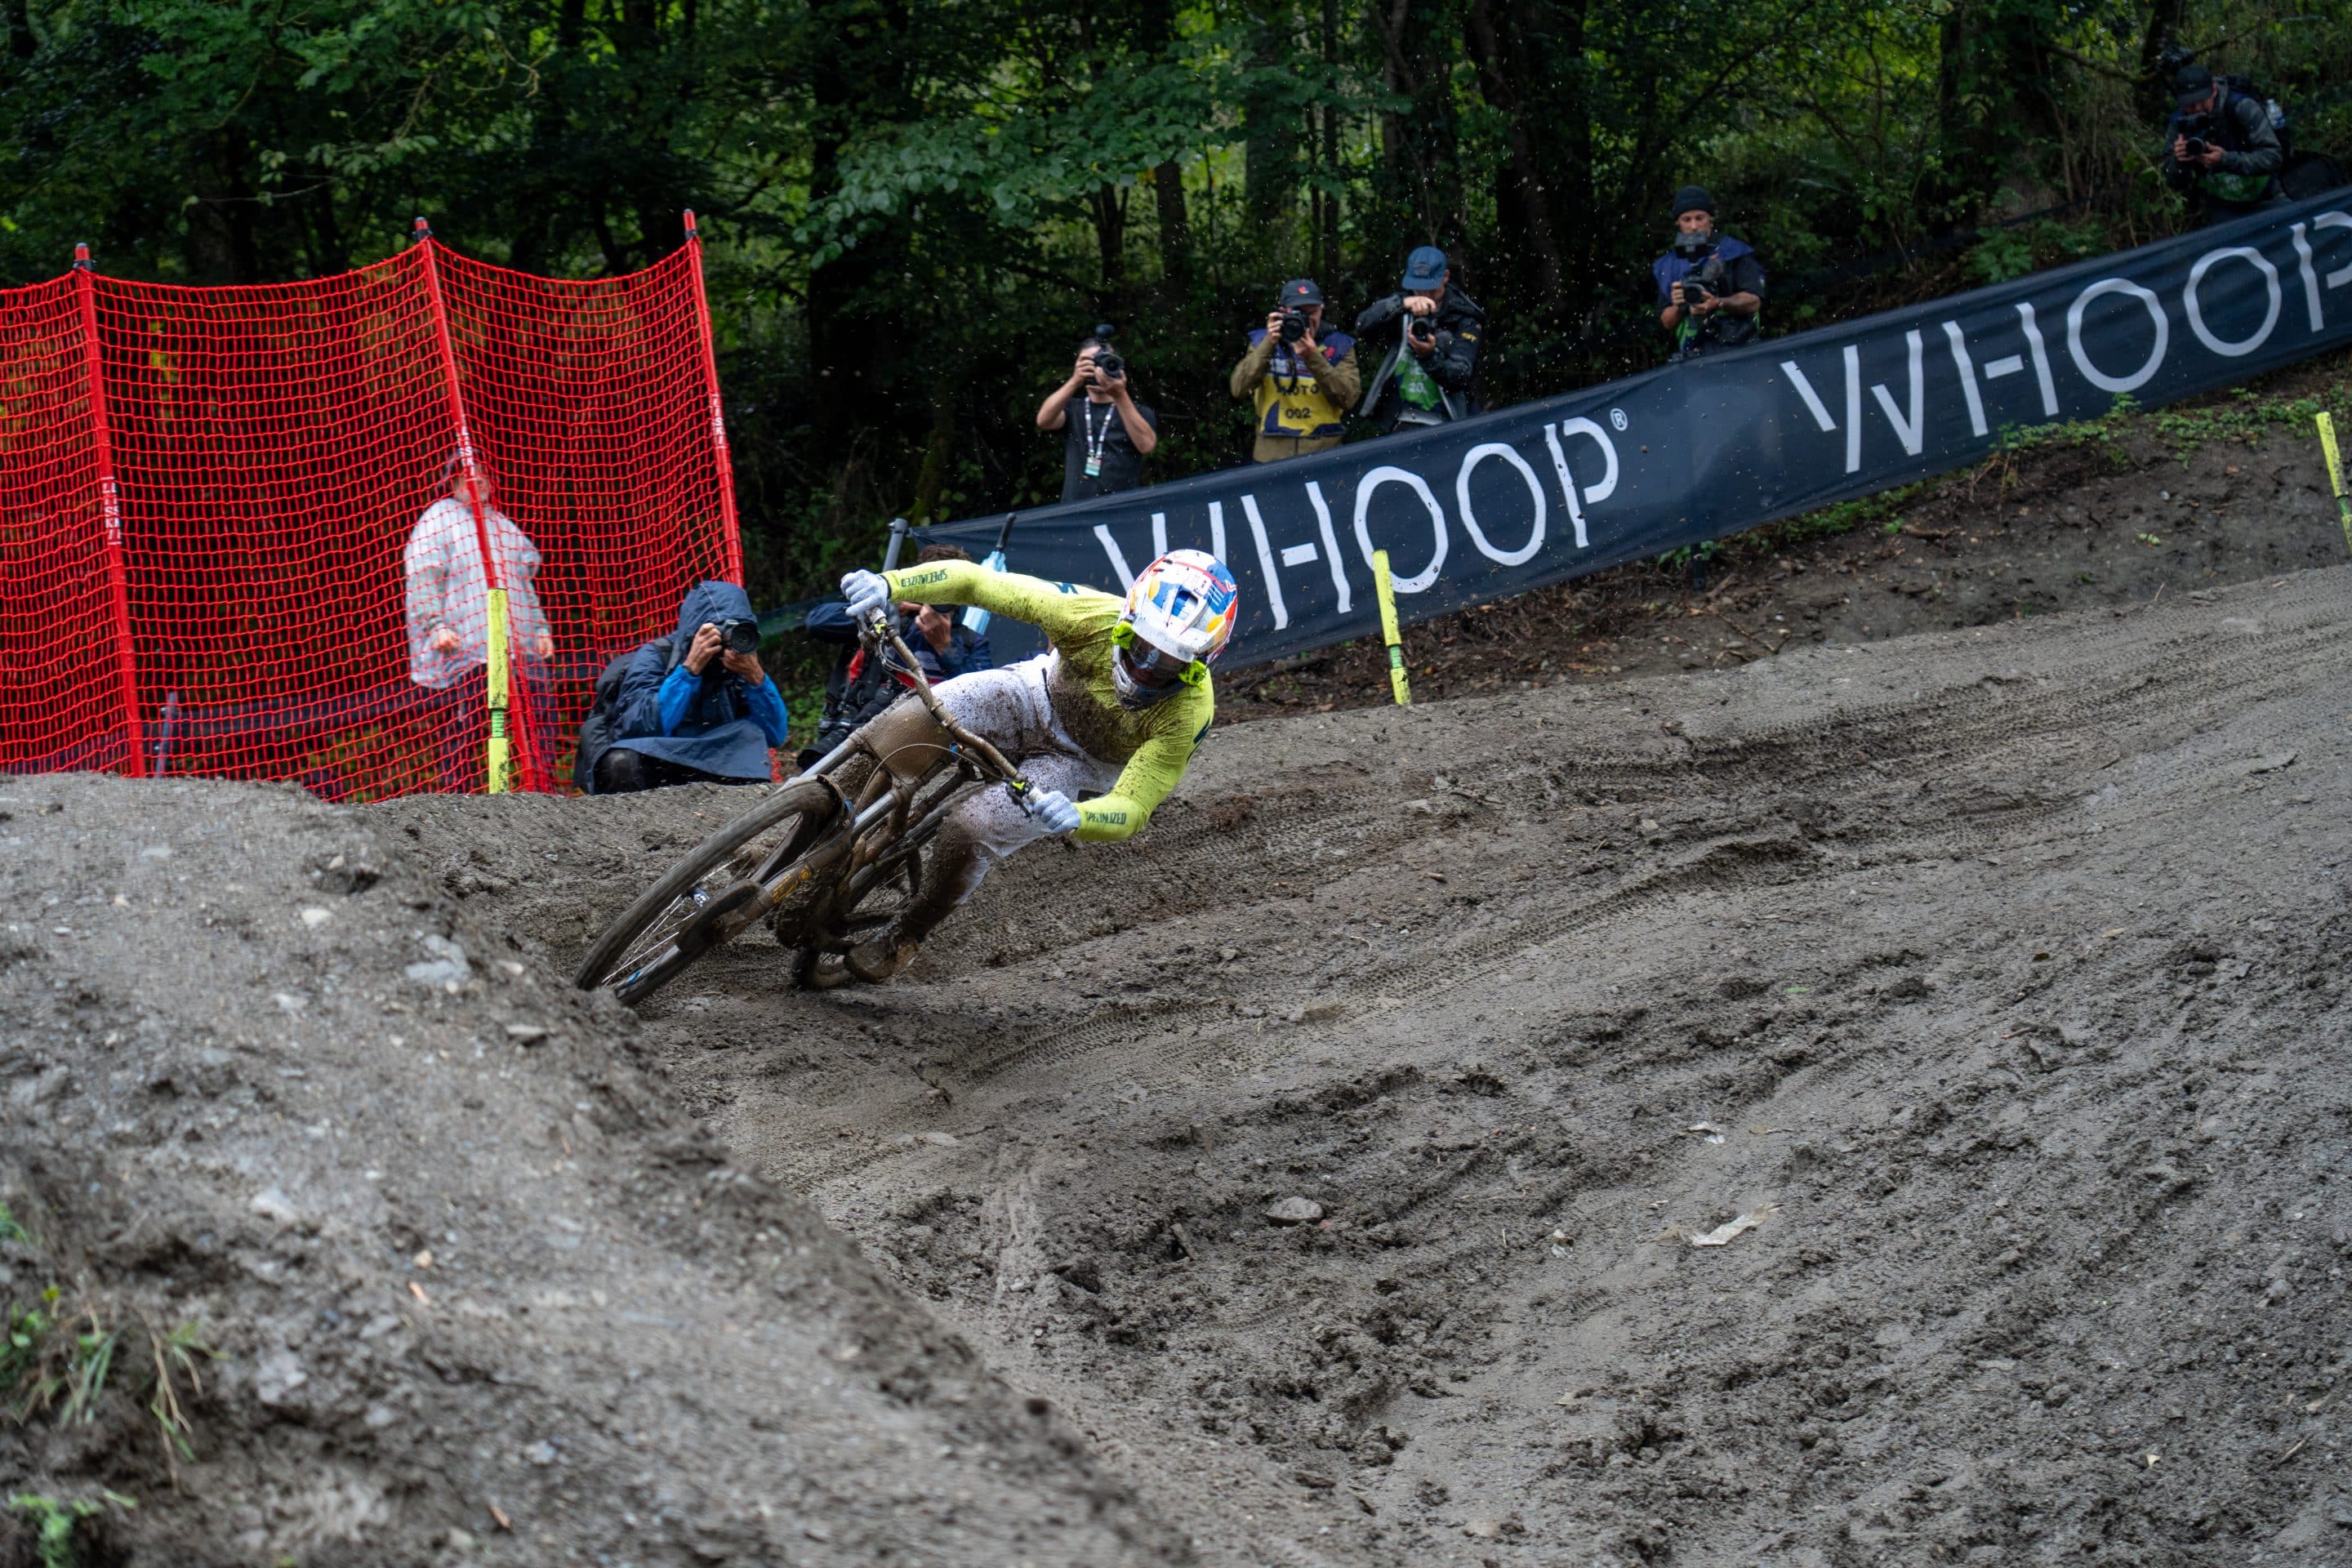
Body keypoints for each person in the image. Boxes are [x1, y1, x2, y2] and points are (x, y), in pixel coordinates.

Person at [828, 547, 1236, 980]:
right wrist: (889, 584)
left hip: (1081, 764)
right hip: (1033, 695)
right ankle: (817, 818)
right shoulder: (1087, 615)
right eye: (1140, 648)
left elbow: (1135, 806)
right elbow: (975, 583)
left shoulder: (1190, 714)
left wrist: (1078, 815)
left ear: (1202, 662)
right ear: (1127, 622)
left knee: (968, 832)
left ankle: (906, 933)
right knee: (913, 718)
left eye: (1170, 663)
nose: (1146, 669)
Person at [403, 456, 555, 792]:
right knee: (466, 730)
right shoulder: (437, 521)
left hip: (517, 649)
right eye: (468, 477)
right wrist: (435, 625)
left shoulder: (500, 525)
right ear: (453, 484)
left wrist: (541, 630)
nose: (478, 481)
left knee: (538, 718)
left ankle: (545, 791)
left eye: (483, 475)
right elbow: (423, 579)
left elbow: (522, 584)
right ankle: (461, 803)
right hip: (467, 650)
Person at [585, 579, 791, 793]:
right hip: (659, 759)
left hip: (714, 760)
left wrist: (756, 677)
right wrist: (689, 670)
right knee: (621, 762)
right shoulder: (655, 656)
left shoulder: (737, 664)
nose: (725, 640)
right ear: (695, 629)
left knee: (749, 734)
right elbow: (636, 729)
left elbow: (774, 735)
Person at [800, 541, 993, 766]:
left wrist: (946, 648)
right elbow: (817, 623)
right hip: (869, 729)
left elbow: (983, 698)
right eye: (935, 590)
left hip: (933, 744)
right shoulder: (892, 622)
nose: (940, 599)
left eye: (949, 591)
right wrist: (885, 609)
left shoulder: (972, 643)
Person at [1230, 278, 1361, 463]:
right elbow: (1238, 388)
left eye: (1312, 312)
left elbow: (1349, 398)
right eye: (1299, 313)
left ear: (1322, 310)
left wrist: (1313, 357)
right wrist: (1270, 343)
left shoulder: (1339, 345)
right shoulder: (1262, 341)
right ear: (1282, 312)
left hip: (1323, 455)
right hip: (1271, 456)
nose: (1306, 320)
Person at [1354, 247, 1483, 433]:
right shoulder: (1402, 308)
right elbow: (1362, 325)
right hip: (1401, 419)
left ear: (1445, 277)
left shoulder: (1464, 317)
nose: (1424, 295)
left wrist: (1429, 356)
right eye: (1418, 288)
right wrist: (1401, 304)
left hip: (1449, 421)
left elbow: (1460, 375)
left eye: (1431, 288)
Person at [1036, 336, 1158, 503]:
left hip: (1122, 511)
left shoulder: (1136, 411)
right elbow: (1044, 420)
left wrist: (1120, 394)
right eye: (1090, 363)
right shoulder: (1073, 408)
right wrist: (1074, 381)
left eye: (1103, 361)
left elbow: (1147, 445)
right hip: (1076, 511)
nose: (1096, 369)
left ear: (1116, 364)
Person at [2163, 63, 2286, 225]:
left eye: (2202, 100)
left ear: (2214, 91)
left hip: (2266, 198)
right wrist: (2180, 161)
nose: (2197, 108)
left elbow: (2274, 156)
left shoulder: (2241, 107)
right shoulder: (2179, 124)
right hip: (2224, 208)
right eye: (2190, 104)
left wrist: (2226, 160)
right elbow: (2174, 183)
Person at [1653, 186, 1766, 358]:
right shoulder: (1668, 265)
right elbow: (1667, 323)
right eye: (1686, 219)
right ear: (1678, 222)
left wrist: (1718, 302)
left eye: (1700, 218)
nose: (1693, 226)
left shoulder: (1734, 251)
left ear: (1710, 217)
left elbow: (1754, 301)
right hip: (1694, 354)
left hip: (1742, 347)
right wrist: (1680, 306)